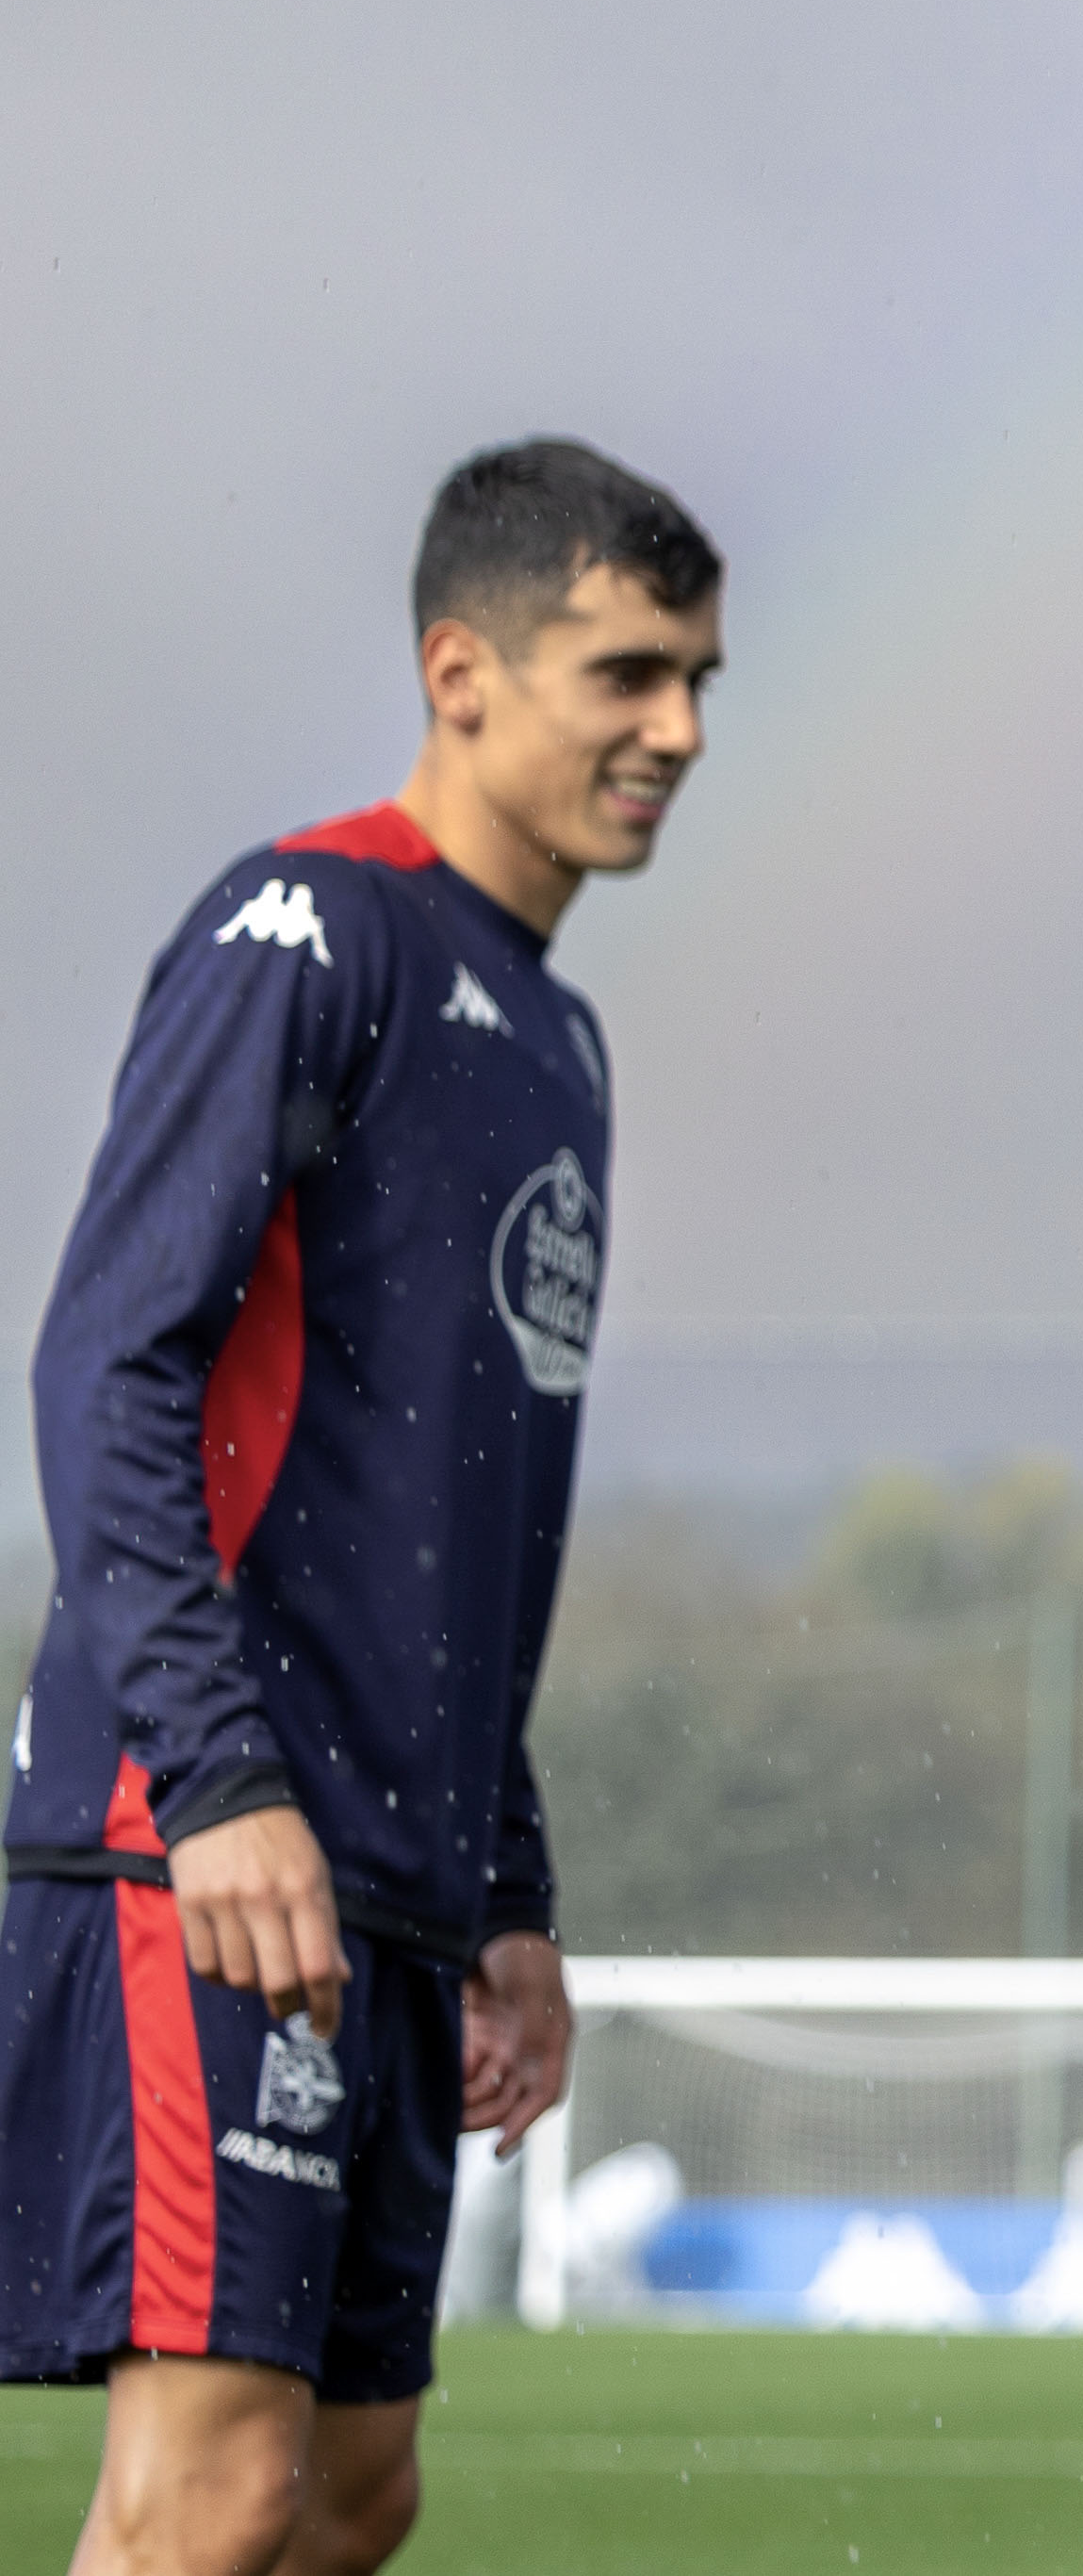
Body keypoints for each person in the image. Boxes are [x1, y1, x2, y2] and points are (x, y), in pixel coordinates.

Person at [0, 442, 720, 2576]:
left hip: (400, 1874)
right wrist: (215, 1781)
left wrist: (507, 1885)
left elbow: (468, 1508)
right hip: (208, 1840)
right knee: (211, 2491)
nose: (678, 729)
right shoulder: (305, 928)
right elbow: (102, 1364)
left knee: (348, 2495)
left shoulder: (562, 1040)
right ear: (462, 670)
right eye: (626, 673)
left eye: (697, 679)